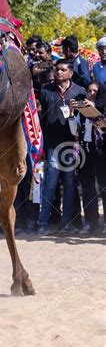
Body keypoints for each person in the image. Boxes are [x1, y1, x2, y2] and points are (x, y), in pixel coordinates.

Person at [37, 60, 86, 236]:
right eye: (57, 69)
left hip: (71, 146)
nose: (59, 72)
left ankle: (67, 223)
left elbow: (84, 120)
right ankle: (42, 223)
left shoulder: (80, 92)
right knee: (50, 184)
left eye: (63, 70)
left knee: (70, 184)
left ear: (71, 73)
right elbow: (40, 120)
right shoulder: (46, 91)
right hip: (52, 145)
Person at [68, 82, 105, 236]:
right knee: (88, 188)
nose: (91, 94)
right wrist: (71, 112)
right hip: (86, 152)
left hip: (101, 153)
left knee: (104, 188)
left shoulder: (102, 109)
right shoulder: (81, 112)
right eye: (89, 91)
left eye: (94, 91)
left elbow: (103, 128)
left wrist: (94, 109)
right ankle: (91, 221)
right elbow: (74, 130)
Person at [92, 37, 106, 112]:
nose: (104, 52)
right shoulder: (95, 66)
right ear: (98, 51)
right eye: (101, 49)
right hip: (99, 104)